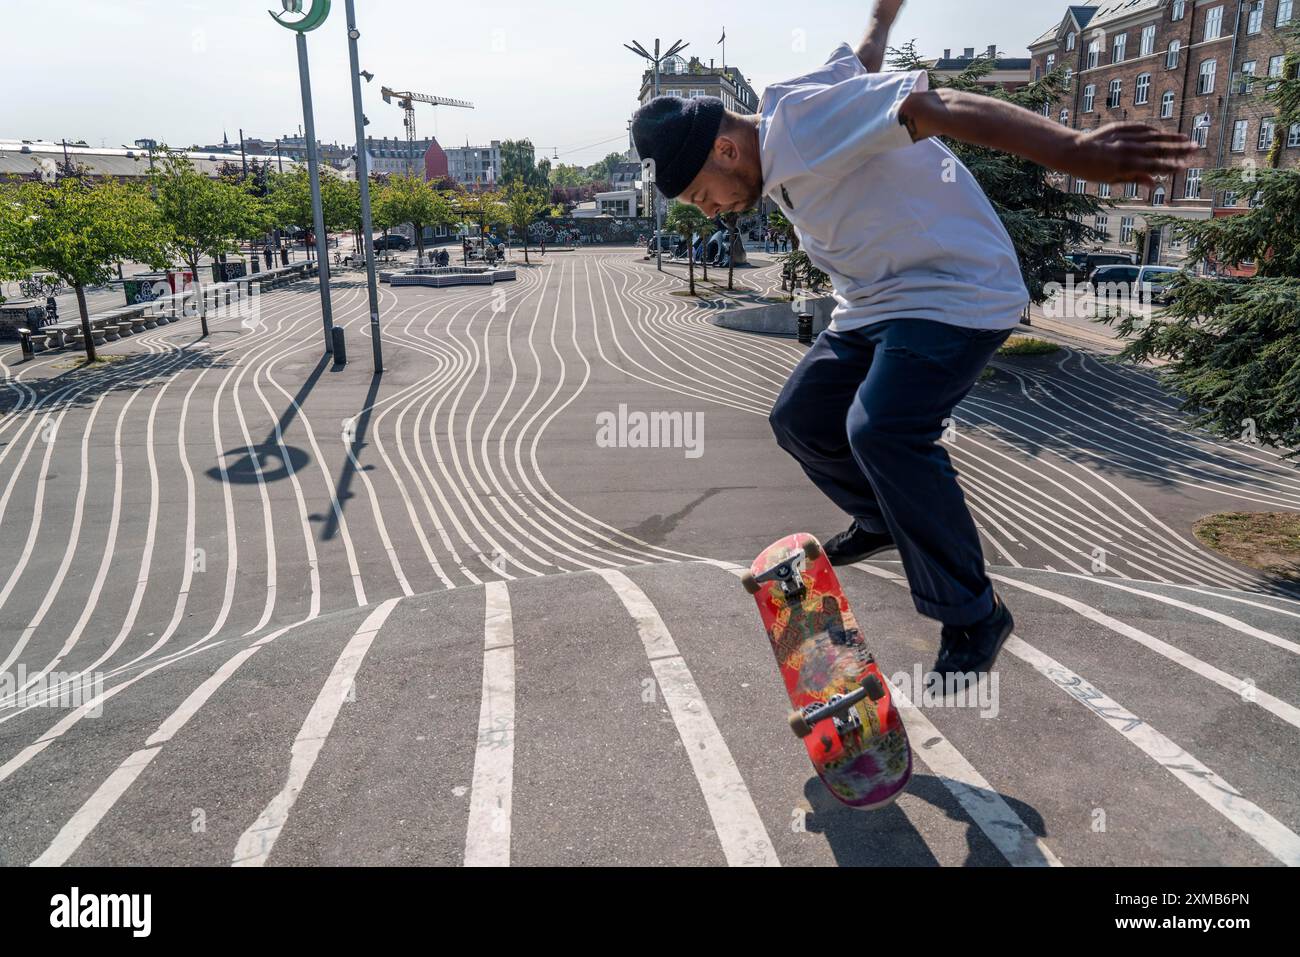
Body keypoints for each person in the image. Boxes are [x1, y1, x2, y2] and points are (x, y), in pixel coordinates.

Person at [630, 0, 1194, 688]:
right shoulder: (787, 106)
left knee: (884, 430)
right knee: (800, 419)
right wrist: (884, 15)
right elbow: (863, 64)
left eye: (702, 195)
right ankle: (881, 515)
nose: (711, 209)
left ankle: (974, 613)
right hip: (874, 303)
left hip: (956, 290)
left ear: (724, 148)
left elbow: (941, 105)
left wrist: (1075, 151)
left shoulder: (803, 128)